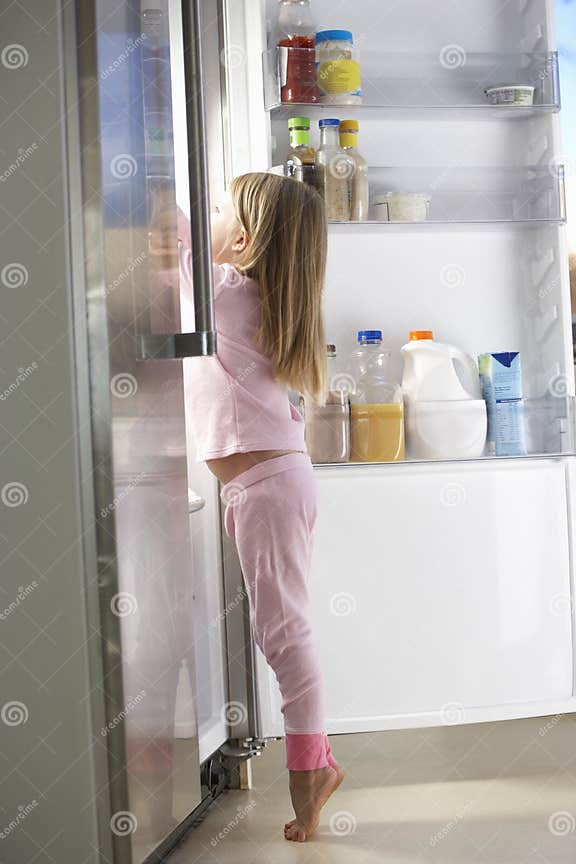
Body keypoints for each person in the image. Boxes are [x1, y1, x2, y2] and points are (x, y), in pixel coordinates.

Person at [180, 172, 345, 841]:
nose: (210, 216)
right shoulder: (261, 301)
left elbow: (180, 256)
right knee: (283, 630)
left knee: (283, 634)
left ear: (243, 238)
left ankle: (311, 770)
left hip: (267, 488)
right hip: (276, 481)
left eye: (220, 210)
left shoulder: (226, 295)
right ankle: (319, 760)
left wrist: (167, 188)